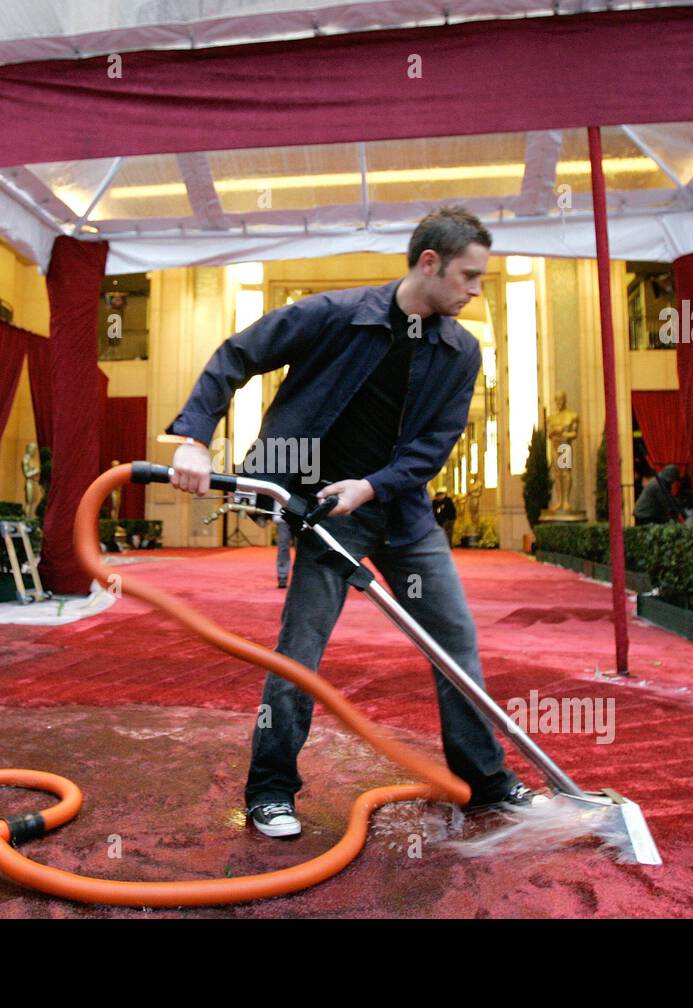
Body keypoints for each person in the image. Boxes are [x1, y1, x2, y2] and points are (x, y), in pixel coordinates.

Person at [165, 206, 534, 839]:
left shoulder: (460, 351)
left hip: (405, 518)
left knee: (454, 646)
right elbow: (237, 354)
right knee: (301, 652)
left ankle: (484, 782)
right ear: (429, 263)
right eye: (469, 276)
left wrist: (370, 487)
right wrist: (195, 439)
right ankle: (271, 790)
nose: (476, 290)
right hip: (323, 518)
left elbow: (433, 446)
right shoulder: (334, 315)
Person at [274, 511, 293, 589]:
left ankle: (303, 576)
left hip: (304, 514)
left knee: (303, 547)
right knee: (283, 545)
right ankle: (282, 577)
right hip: (283, 515)